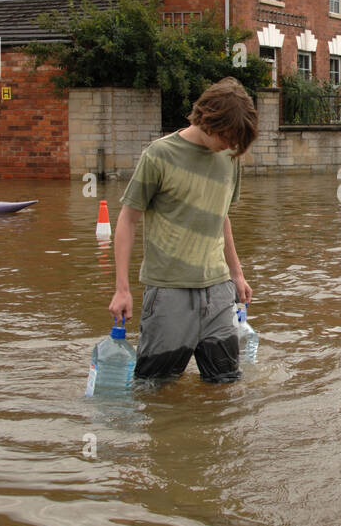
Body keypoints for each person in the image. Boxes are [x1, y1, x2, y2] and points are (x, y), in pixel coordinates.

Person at [108, 77, 258, 383]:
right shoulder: (159, 155)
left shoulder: (230, 159)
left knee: (226, 385)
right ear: (208, 119)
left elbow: (222, 216)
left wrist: (237, 274)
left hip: (218, 290)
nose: (232, 146)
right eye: (229, 136)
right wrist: (122, 289)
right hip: (168, 290)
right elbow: (127, 220)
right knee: (156, 390)